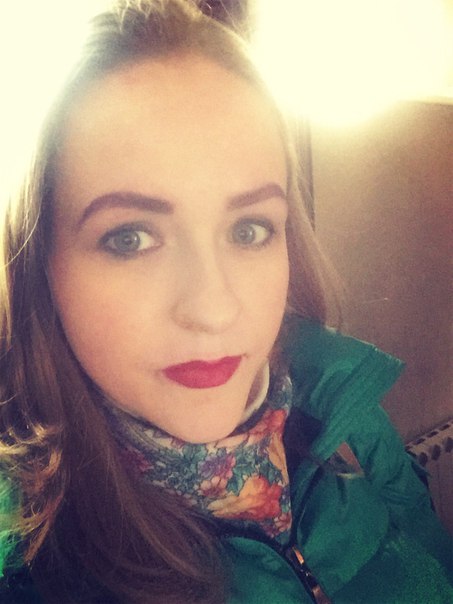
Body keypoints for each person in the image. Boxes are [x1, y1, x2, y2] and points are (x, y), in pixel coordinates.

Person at [0, 1, 451, 602]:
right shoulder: (33, 577)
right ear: (41, 268)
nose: (213, 311)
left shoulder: (347, 413)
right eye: (130, 238)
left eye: (248, 229)